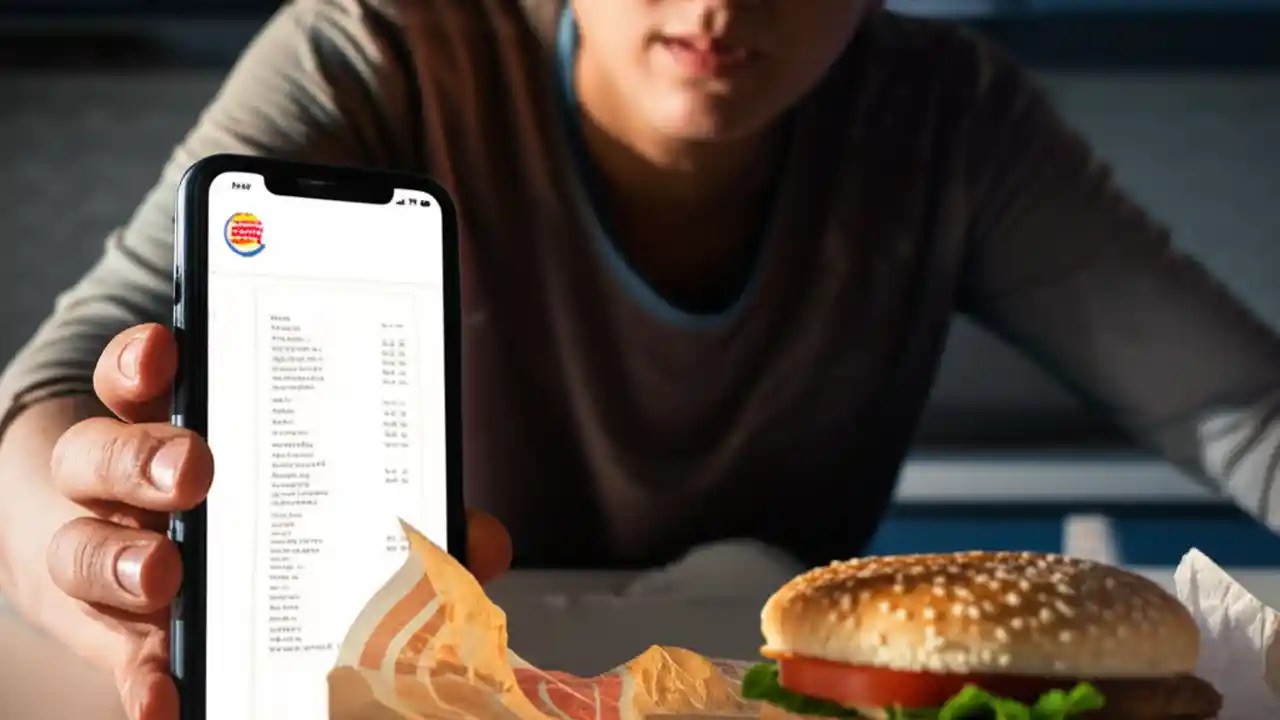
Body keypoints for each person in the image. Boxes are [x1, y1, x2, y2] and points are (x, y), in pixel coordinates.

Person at [0, 0, 1277, 718]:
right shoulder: (379, 47)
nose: (715, 4)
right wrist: (99, 552)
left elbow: (1242, 403)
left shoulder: (952, 119)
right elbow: (52, 395)